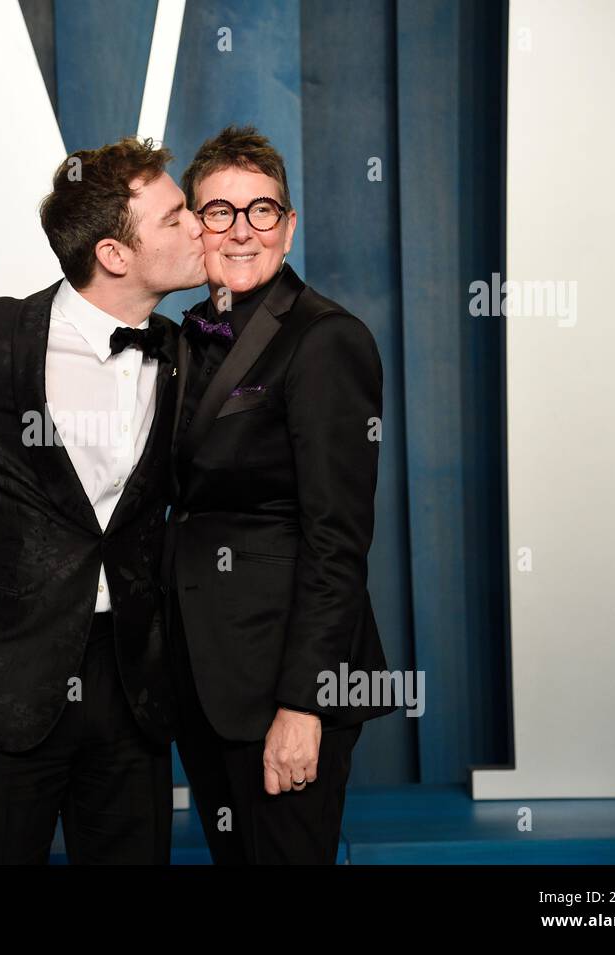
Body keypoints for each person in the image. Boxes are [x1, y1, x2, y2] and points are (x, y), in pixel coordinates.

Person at [0, 137, 205, 864]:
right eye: (176, 217)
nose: (201, 226)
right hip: (2, 683)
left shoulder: (190, 355)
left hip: (134, 685)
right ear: (115, 253)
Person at [161, 125, 397, 864]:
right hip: (208, 679)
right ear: (191, 227)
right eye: (219, 212)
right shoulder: (186, 335)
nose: (240, 231)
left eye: (261, 210)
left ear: (288, 227)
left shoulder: (327, 339)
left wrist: (306, 702)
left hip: (284, 686)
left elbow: (338, 538)